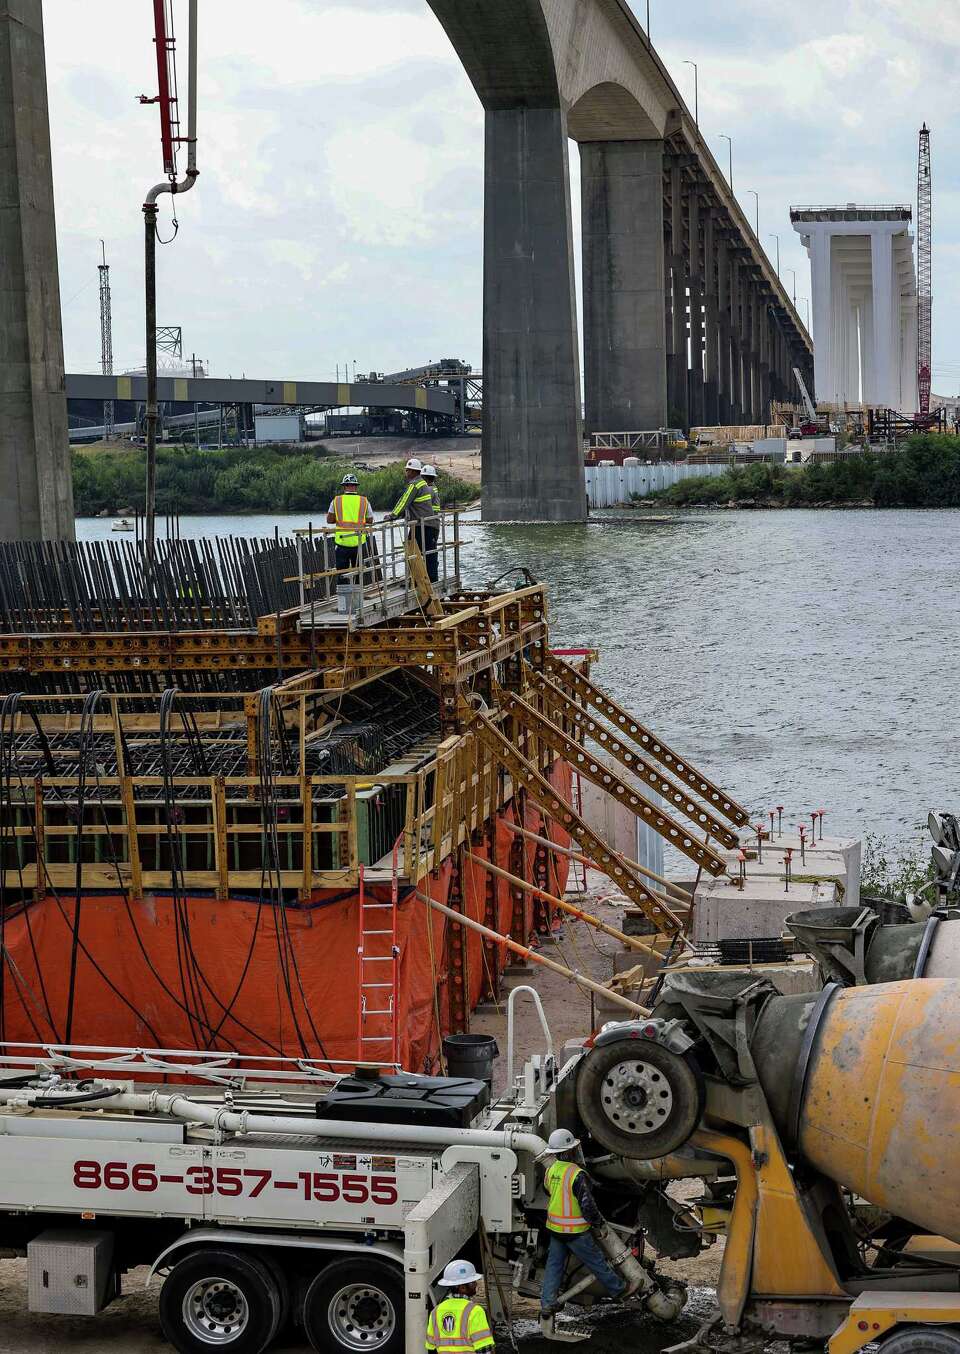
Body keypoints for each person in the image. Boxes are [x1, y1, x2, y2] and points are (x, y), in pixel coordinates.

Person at [538, 1128, 626, 1321]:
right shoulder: (577, 1174)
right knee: (597, 1262)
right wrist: (599, 1225)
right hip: (575, 1231)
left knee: (554, 1267)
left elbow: (548, 1192)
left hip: (555, 1229)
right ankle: (619, 1290)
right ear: (569, 1151)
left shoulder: (550, 1170)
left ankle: (547, 1304)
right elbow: (588, 1205)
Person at [385, 458, 439, 584]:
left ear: (413, 471)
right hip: (427, 524)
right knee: (427, 553)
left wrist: (393, 515)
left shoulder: (415, 484)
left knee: (413, 552)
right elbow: (413, 505)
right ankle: (429, 580)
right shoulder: (422, 484)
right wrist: (401, 515)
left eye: (407, 470)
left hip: (421, 525)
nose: (406, 473)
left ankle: (416, 581)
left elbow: (404, 501)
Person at [426, 1260, 495, 1354]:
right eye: (472, 1282)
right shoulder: (475, 1311)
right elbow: (484, 1349)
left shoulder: (436, 1311)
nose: (476, 1284)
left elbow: (430, 1346)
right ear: (462, 1287)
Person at [326, 473, 373, 578]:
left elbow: (329, 520)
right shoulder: (364, 501)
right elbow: (370, 520)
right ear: (356, 486)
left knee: (342, 574)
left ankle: (343, 594)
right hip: (359, 542)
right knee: (358, 573)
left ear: (344, 486)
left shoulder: (336, 500)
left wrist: (339, 520)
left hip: (342, 543)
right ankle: (358, 593)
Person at [420, 463, 441, 583]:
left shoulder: (428, 490)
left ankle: (431, 578)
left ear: (425, 478)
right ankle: (429, 577)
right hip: (432, 524)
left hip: (431, 524)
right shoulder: (432, 488)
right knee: (430, 551)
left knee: (430, 552)